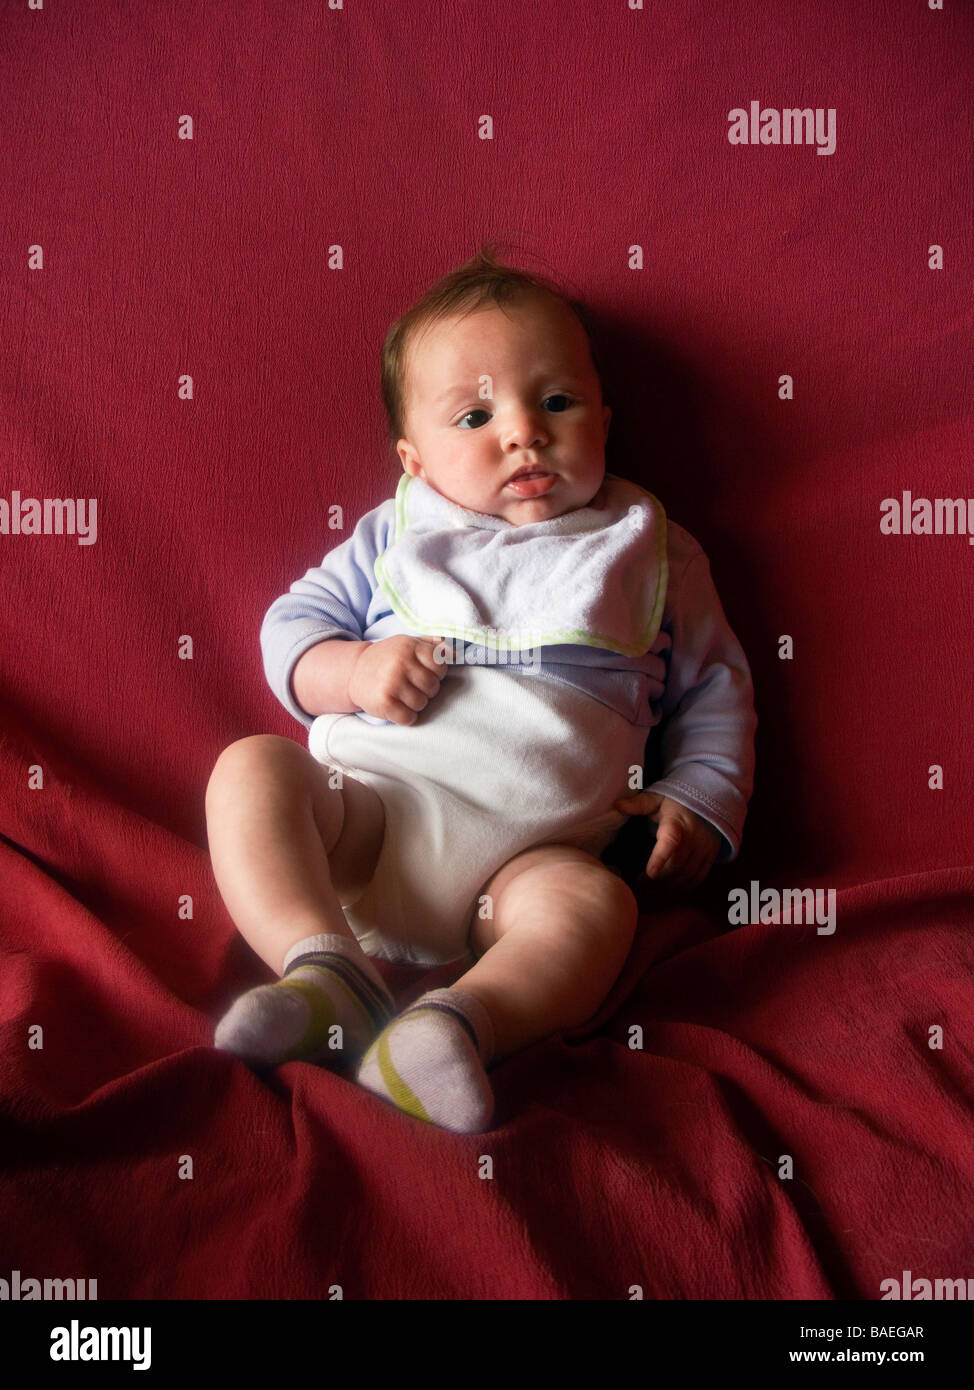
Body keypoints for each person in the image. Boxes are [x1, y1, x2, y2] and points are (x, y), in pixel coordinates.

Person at [205, 245, 757, 1133]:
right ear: (414, 460)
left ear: (605, 421)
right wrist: (350, 671)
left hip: (529, 862)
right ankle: (321, 969)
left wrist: (695, 795)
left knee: (597, 909)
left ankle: (457, 1024)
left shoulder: (649, 549)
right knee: (249, 770)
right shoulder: (394, 539)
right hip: (370, 817)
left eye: (557, 402)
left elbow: (717, 690)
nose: (522, 432)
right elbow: (288, 628)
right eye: (474, 414)